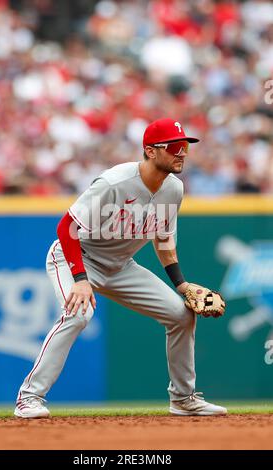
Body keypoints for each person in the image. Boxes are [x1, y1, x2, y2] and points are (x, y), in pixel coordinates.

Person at [14, 118, 227, 418]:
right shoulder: (115, 182)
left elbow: (163, 240)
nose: (182, 153)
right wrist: (79, 278)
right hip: (75, 257)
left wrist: (181, 284)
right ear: (151, 151)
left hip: (121, 266)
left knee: (181, 315)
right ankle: (29, 398)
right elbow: (66, 227)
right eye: (175, 146)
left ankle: (182, 398)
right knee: (78, 314)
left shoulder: (174, 189)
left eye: (186, 147)